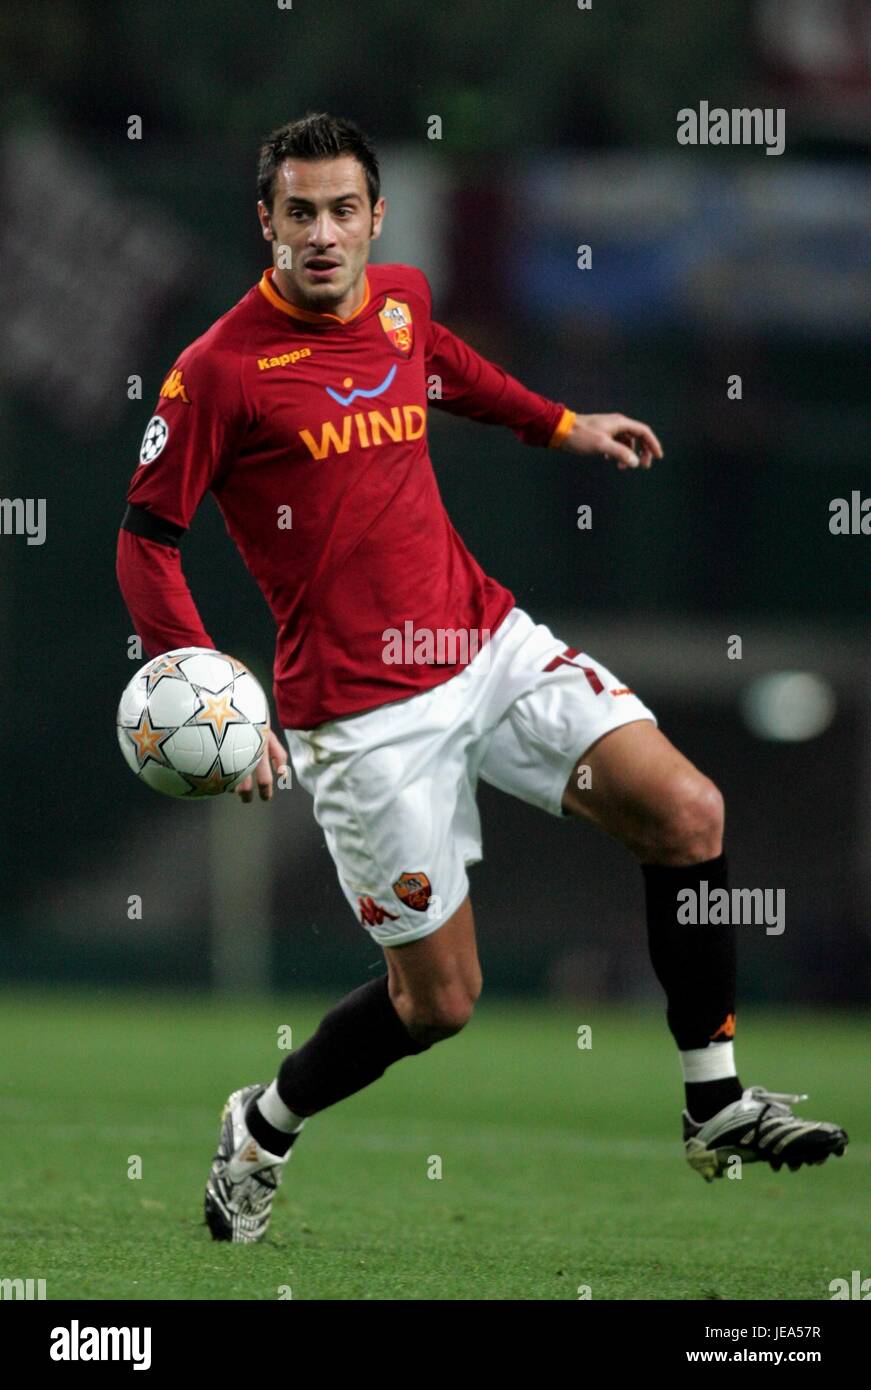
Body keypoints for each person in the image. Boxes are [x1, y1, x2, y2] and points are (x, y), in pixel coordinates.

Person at [116, 112, 847, 1244]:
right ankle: (260, 1124)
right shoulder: (216, 371)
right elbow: (144, 539)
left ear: (375, 217)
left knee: (688, 810)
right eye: (298, 212)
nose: (322, 234)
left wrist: (561, 424)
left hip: (485, 641)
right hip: (361, 721)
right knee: (440, 1004)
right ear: (264, 220)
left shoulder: (400, 299)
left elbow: (445, 366)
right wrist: (207, 679)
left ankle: (714, 1102)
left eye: (342, 210)